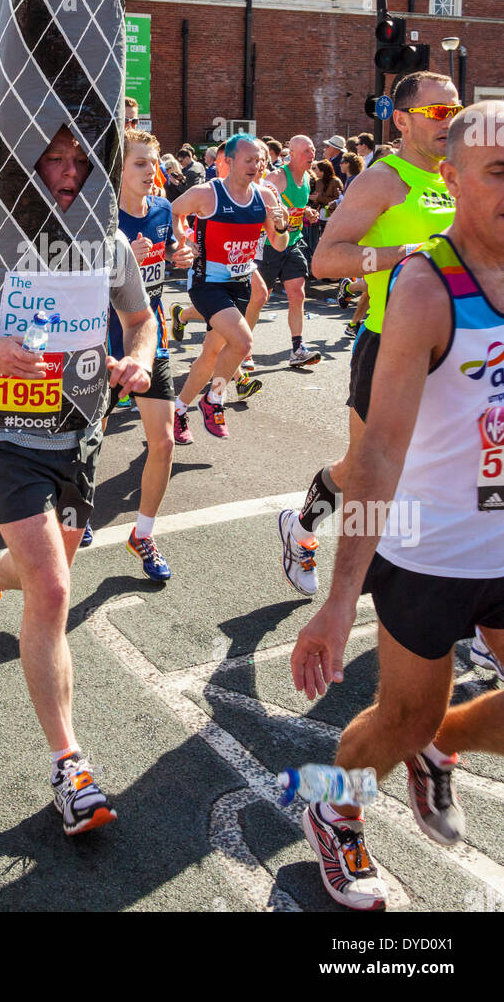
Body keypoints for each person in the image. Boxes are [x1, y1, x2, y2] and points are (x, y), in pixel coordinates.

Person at [0, 123, 155, 835]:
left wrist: (136, 360)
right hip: (5, 439)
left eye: (81, 159)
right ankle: (69, 767)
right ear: (26, 158)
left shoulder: (107, 241)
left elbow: (141, 319)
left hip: (80, 439)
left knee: (38, 573)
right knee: (51, 587)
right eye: (54, 157)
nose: (69, 171)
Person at [290, 100, 504, 912]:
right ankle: (333, 803)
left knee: (430, 724)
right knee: (400, 719)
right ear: (452, 180)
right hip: (432, 549)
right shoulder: (426, 288)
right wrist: (339, 601)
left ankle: (442, 740)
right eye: (498, 171)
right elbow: (377, 456)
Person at [277, 72, 459, 596]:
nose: (450, 120)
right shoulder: (385, 179)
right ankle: (307, 532)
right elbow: (326, 258)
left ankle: (462, 597)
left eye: (456, 110)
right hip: (391, 345)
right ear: (401, 120)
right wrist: (402, 255)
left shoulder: (460, 175)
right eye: (437, 112)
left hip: (459, 347)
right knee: (366, 472)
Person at [94, 129, 194, 575]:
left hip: (149, 339)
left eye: (153, 162)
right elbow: (76, 288)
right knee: (87, 436)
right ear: (118, 169)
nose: (150, 171)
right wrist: (118, 261)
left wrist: (181, 253)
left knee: (165, 440)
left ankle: (144, 535)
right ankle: (76, 503)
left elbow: (173, 246)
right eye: (140, 163)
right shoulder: (99, 220)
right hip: (101, 343)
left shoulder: (162, 208)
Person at [169, 134, 289, 440]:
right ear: (230, 162)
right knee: (243, 343)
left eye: (260, 160)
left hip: (240, 284)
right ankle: (214, 400)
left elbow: (279, 243)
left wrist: (282, 226)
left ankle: (179, 411)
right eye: (248, 160)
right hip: (208, 283)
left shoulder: (265, 197)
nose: (256, 166)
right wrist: (184, 241)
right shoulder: (207, 194)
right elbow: (174, 210)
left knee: (211, 355)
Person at [253, 134, 322, 368]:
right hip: (271, 246)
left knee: (298, 293)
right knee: (259, 299)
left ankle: (297, 348)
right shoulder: (277, 177)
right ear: (291, 154)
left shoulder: (308, 179)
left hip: (293, 243)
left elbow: (296, 210)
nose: (311, 155)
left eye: (312, 150)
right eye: (306, 151)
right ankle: (241, 348)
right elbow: (259, 198)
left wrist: (307, 213)